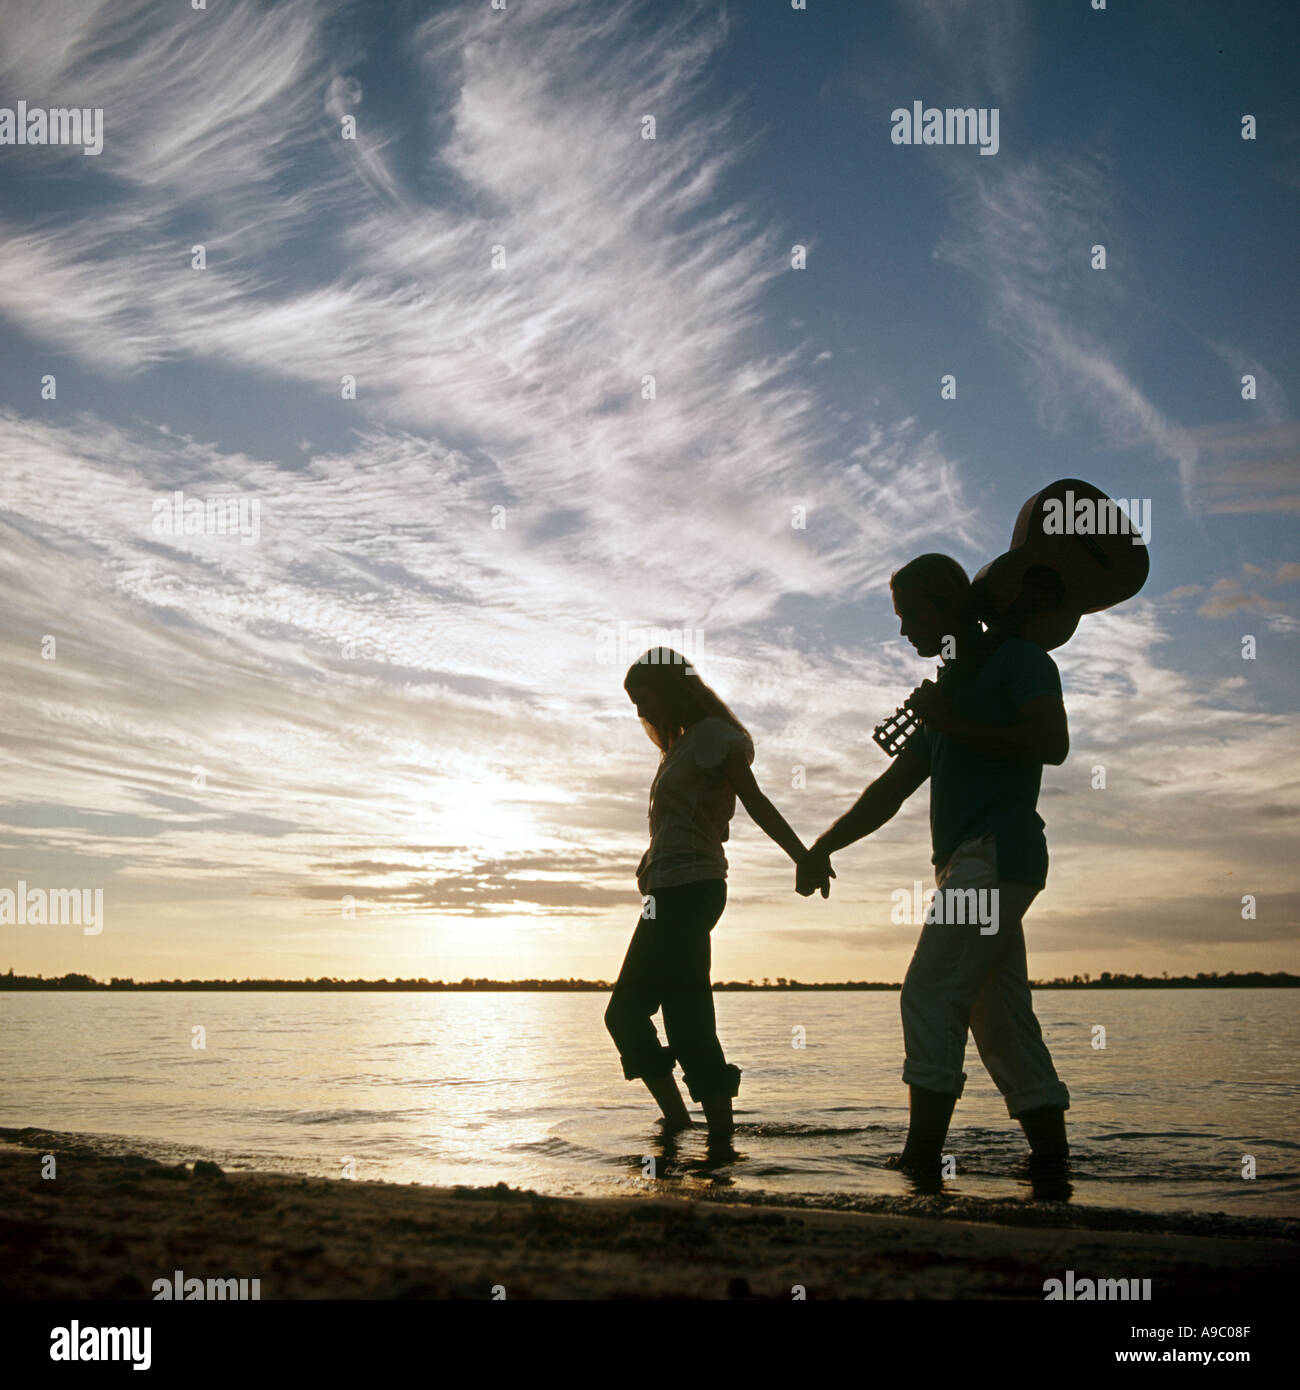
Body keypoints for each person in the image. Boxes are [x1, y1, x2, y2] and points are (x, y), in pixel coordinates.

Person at [797, 554, 1071, 1176]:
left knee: (929, 991)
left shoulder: (1019, 661)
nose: (903, 633)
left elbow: (1051, 743)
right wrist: (823, 846)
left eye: (909, 616)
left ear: (946, 606)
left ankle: (922, 1157)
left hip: (995, 853)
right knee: (997, 1017)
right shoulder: (950, 689)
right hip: (972, 864)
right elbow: (892, 788)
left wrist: (955, 722)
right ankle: (1051, 1162)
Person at [606, 647, 826, 1151]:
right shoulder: (678, 748)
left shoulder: (715, 738)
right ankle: (684, 1127)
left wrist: (803, 855)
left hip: (694, 887)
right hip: (664, 892)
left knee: (685, 1018)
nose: (641, 713)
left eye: (644, 699)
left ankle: (720, 1139)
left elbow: (755, 800)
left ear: (671, 689)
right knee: (626, 1014)